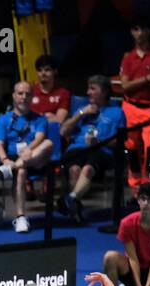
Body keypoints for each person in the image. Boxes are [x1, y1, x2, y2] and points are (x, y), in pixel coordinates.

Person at [58, 76, 123, 225]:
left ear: (105, 92)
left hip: (102, 150)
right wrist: (80, 114)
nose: (88, 92)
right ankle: (74, 207)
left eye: (93, 89)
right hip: (78, 148)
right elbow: (63, 131)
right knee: (74, 169)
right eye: (88, 88)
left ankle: (71, 199)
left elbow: (120, 140)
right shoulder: (82, 109)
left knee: (87, 169)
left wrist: (99, 142)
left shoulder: (117, 112)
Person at [0, 81, 53, 234]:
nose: (24, 97)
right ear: (14, 96)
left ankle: (17, 165)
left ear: (32, 97)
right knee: (21, 172)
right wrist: (5, 159)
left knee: (48, 143)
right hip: (11, 158)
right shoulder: (3, 120)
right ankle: (20, 217)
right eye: (20, 93)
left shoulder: (40, 119)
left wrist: (27, 152)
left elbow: (39, 138)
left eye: (27, 94)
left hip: (34, 157)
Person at [119, 15, 150, 193]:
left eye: (144, 29)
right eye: (136, 29)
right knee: (131, 148)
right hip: (130, 107)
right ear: (132, 32)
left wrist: (135, 83)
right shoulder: (128, 58)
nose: (140, 33)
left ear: (149, 31)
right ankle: (135, 186)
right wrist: (147, 78)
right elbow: (125, 86)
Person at [30, 54, 70, 123]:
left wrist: (38, 118)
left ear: (55, 71)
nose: (43, 73)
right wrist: (46, 117)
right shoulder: (30, 91)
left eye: (47, 70)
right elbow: (24, 119)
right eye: (39, 70)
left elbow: (59, 120)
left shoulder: (63, 93)